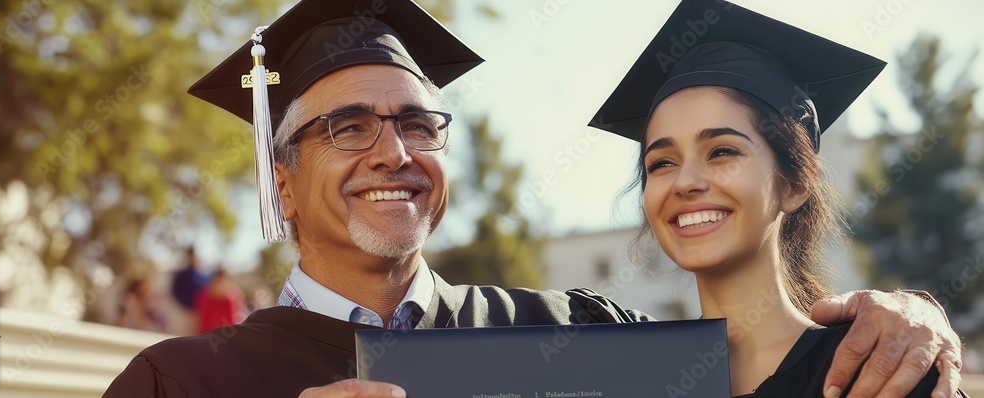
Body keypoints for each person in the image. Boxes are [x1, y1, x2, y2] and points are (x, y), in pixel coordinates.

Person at [105, 1, 963, 397]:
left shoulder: (573, 333)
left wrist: (908, 314)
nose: (394, 153)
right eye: (347, 129)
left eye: (419, 123)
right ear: (280, 181)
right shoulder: (180, 383)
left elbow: (753, 359)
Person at [588, 1, 967, 396]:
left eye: (722, 151)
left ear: (796, 184)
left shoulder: (880, 370)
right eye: (662, 162)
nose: (685, 182)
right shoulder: (620, 374)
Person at [195, 268, 247, 334]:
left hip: (227, 334)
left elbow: (232, 321)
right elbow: (204, 322)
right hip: (210, 334)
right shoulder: (206, 298)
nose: (219, 285)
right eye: (217, 281)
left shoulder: (231, 297)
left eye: (222, 282)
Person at [170, 246, 209, 312]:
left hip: (199, 312)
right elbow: (175, 292)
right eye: (190, 256)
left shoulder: (204, 276)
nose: (192, 258)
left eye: (194, 255)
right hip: (183, 311)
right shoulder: (181, 275)